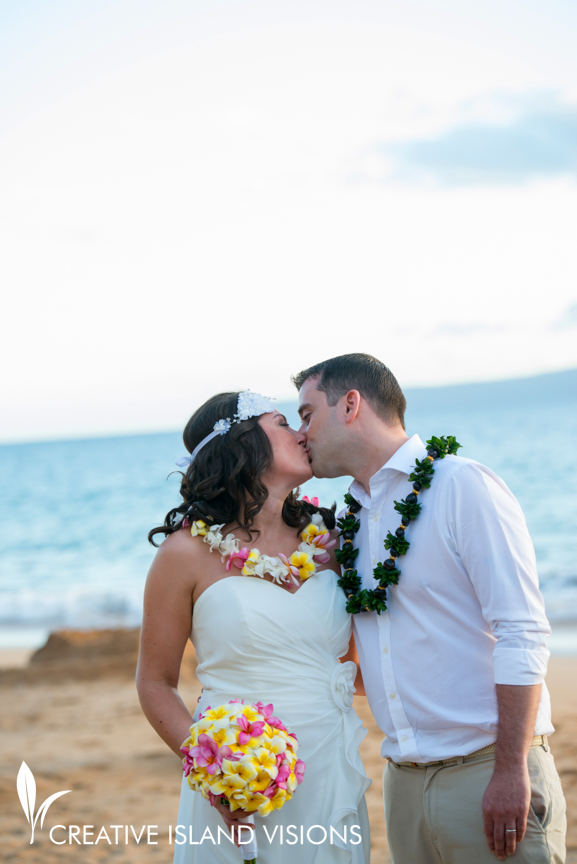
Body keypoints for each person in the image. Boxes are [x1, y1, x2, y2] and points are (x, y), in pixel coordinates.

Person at [292, 353, 567, 864]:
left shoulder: (461, 486)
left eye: (307, 415)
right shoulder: (351, 518)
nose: (301, 433)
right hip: (401, 784)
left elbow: (523, 632)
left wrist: (509, 771)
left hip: (488, 771)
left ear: (351, 404)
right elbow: (369, 657)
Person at [136, 390, 371, 864]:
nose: (301, 432)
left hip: (328, 762)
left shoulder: (332, 543)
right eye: (283, 422)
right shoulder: (183, 555)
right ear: (244, 443)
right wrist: (212, 768)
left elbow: (356, 662)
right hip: (238, 782)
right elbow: (155, 683)